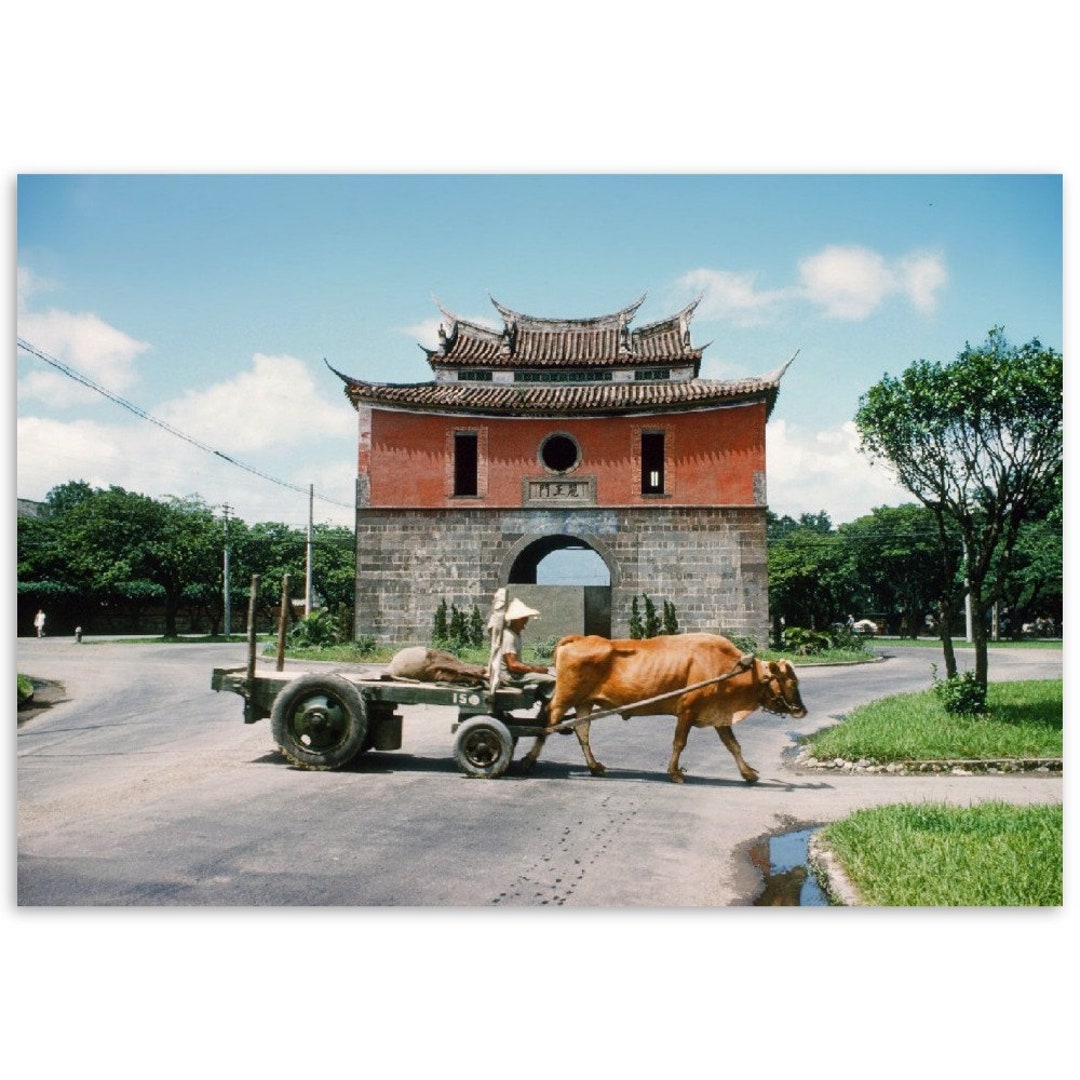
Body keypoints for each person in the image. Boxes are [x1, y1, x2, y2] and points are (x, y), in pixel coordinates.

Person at [497, 598, 557, 723]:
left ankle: (546, 709)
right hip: (510, 677)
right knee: (552, 681)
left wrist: (536, 670)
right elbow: (513, 665)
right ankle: (547, 714)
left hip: (514, 674)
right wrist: (536, 669)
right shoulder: (508, 636)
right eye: (524, 618)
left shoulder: (515, 634)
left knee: (546, 676)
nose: (526, 621)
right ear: (516, 619)